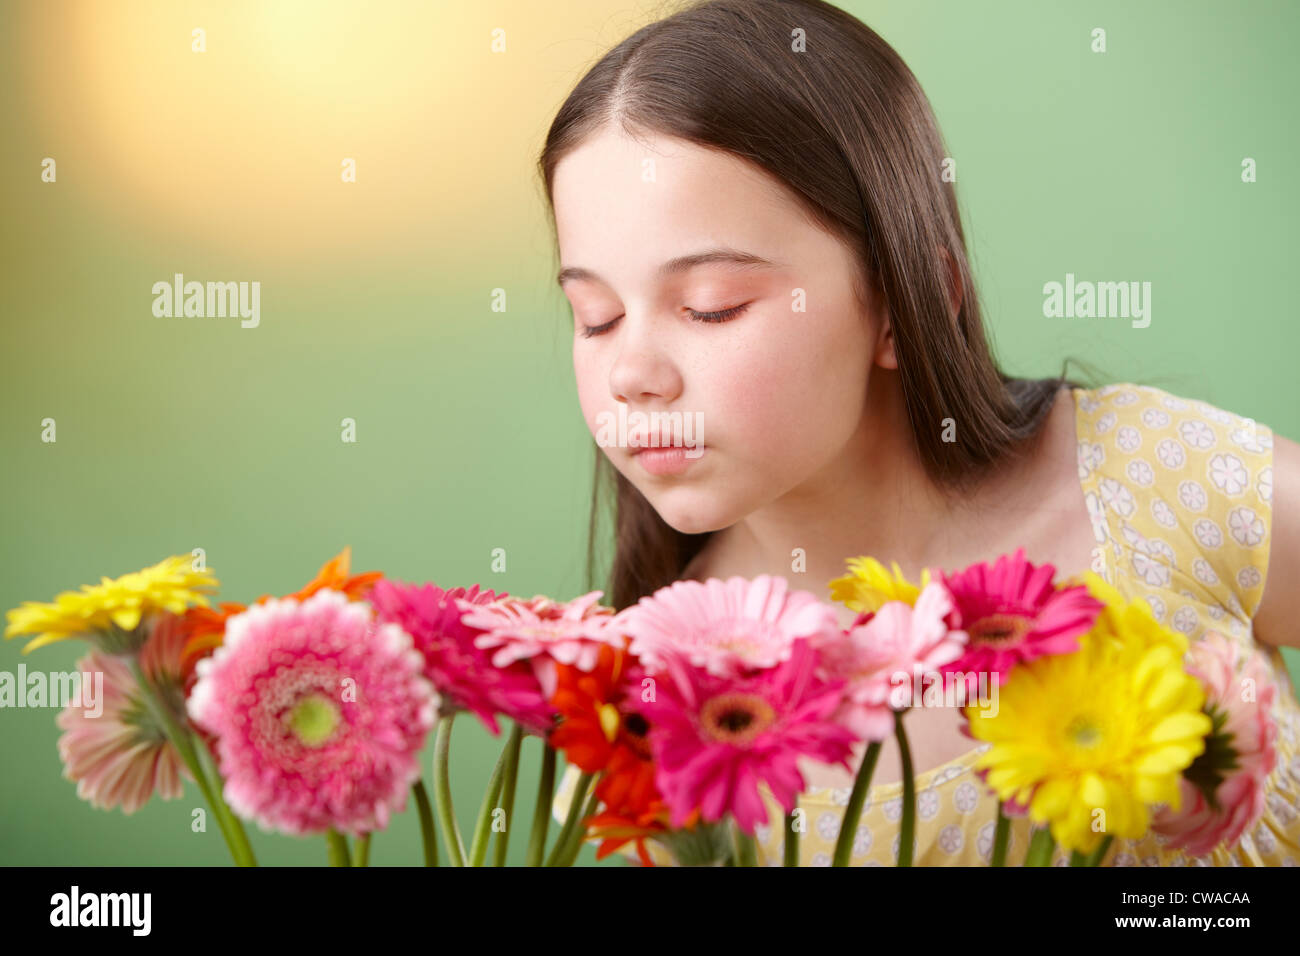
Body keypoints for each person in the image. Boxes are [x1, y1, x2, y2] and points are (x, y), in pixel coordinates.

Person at [543, 0, 1299, 865]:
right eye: (593, 316)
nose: (632, 372)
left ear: (910, 303)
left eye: (712, 305)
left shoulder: (1154, 486)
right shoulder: (652, 707)